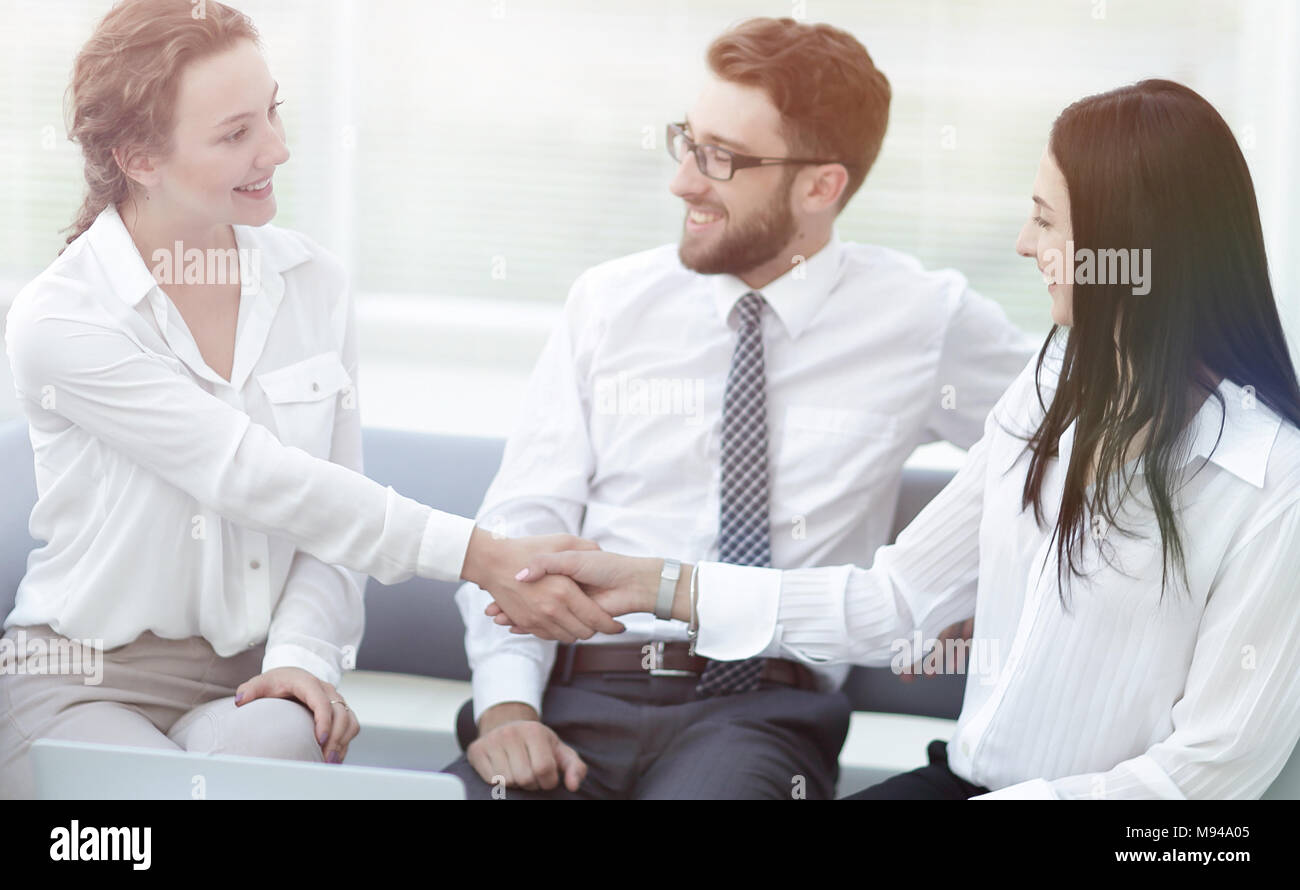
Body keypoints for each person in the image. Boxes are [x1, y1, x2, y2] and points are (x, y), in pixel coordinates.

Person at [504, 78, 1300, 800]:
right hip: (966, 782)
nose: (1025, 244)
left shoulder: (1274, 481)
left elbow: (1210, 770)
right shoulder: (1050, 390)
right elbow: (896, 601)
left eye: (1046, 219)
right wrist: (659, 585)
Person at [0, 0, 617, 801]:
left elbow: (327, 527)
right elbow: (251, 475)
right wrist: (484, 557)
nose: (278, 150)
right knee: (135, 814)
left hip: (252, 676)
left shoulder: (313, 284)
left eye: (273, 113)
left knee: (275, 749)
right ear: (139, 158)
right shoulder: (65, 317)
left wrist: (301, 658)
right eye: (236, 134)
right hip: (84, 676)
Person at [441, 16, 1035, 800]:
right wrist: (508, 713)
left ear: (823, 186)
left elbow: (1076, 446)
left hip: (762, 714)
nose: (683, 180)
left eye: (720, 158)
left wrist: (984, 590)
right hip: (578, 692)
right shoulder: (610, 304)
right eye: (687, 140)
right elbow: (523, 522)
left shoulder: (926, 320)